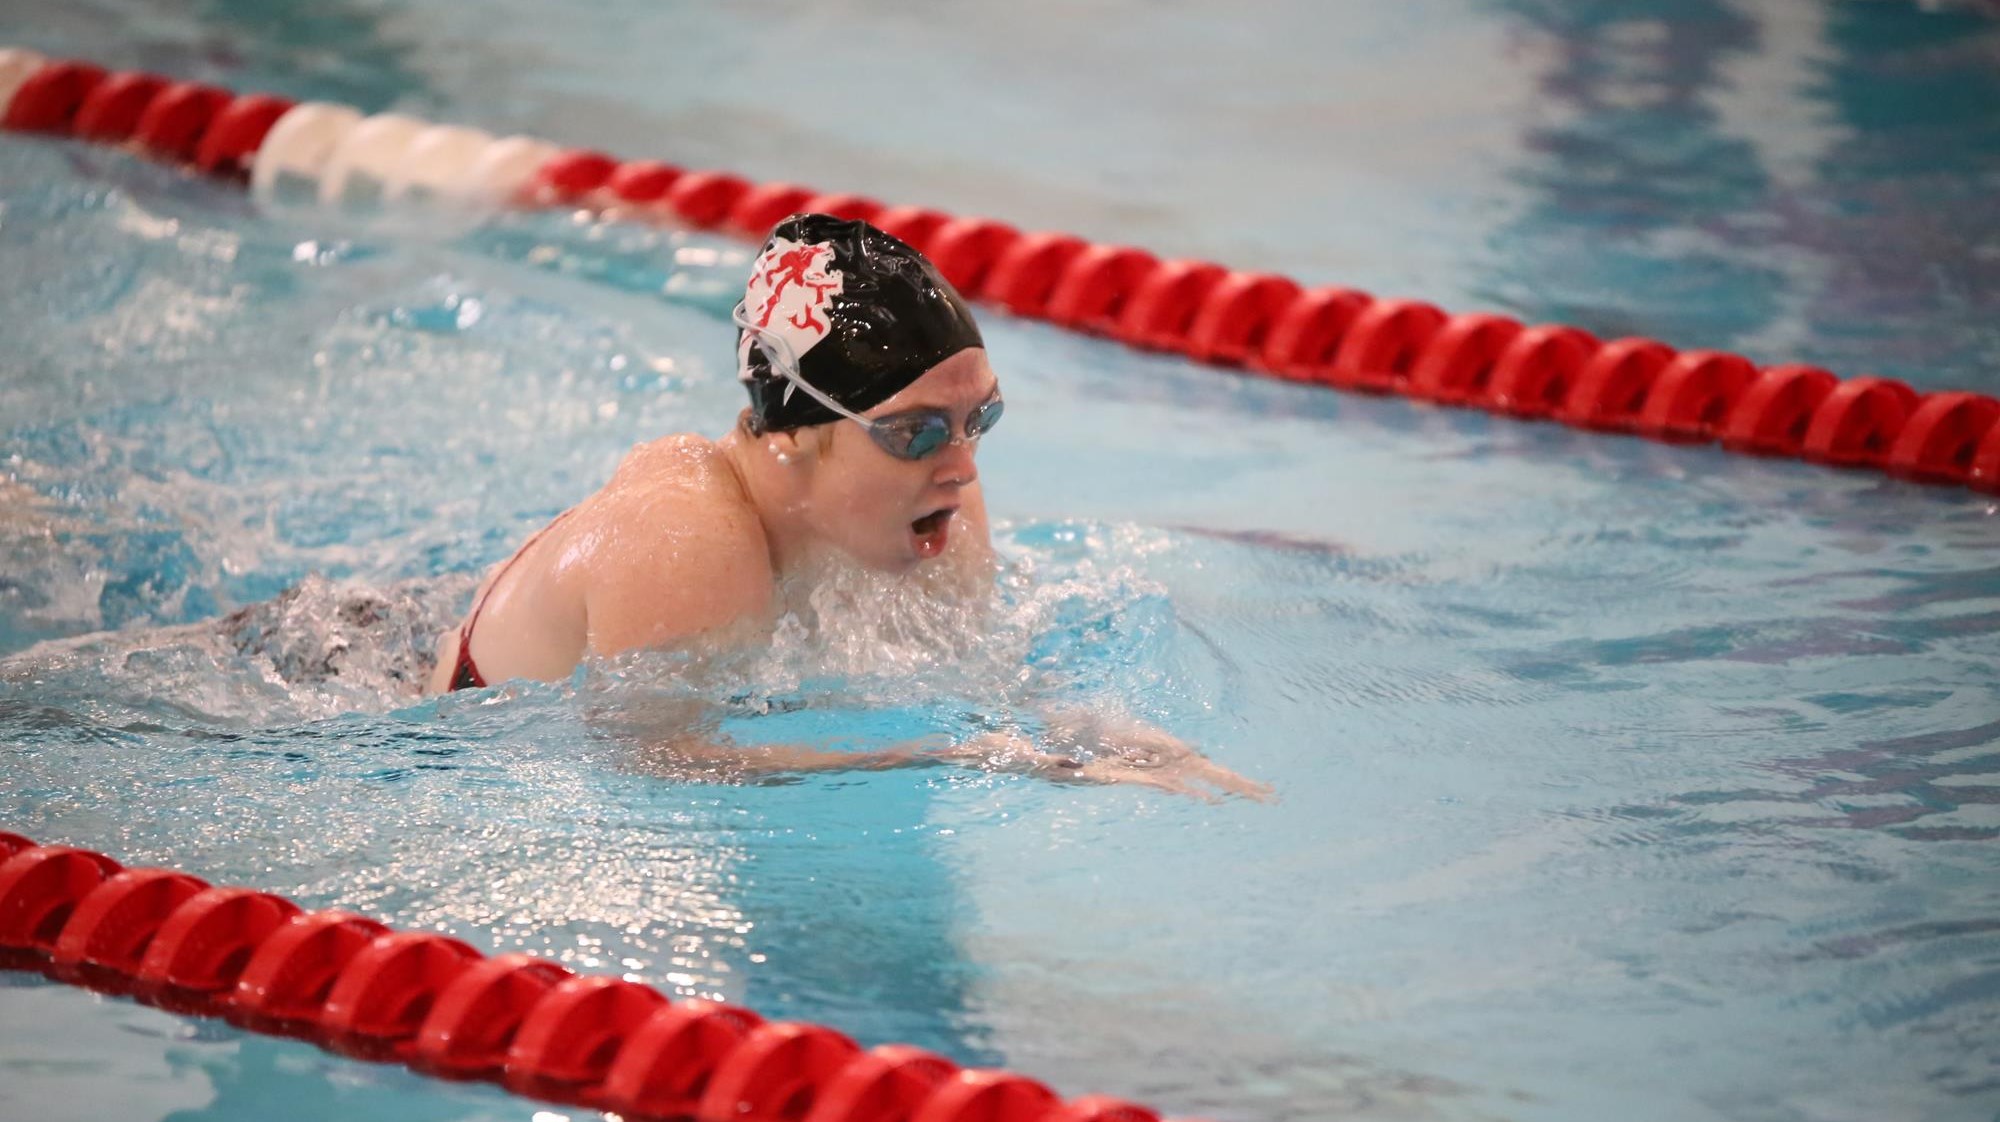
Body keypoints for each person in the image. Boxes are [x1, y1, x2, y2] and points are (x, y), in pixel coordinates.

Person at [427, 214, 1269, 801]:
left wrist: (1091, 733)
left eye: (981, 419)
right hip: (426, 723)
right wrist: (957, 758)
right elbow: (661, 764)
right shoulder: (685, 536)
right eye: (914, 433)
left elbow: (980, 674)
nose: (963, 467)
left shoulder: (935, 507)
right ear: (792, 437)